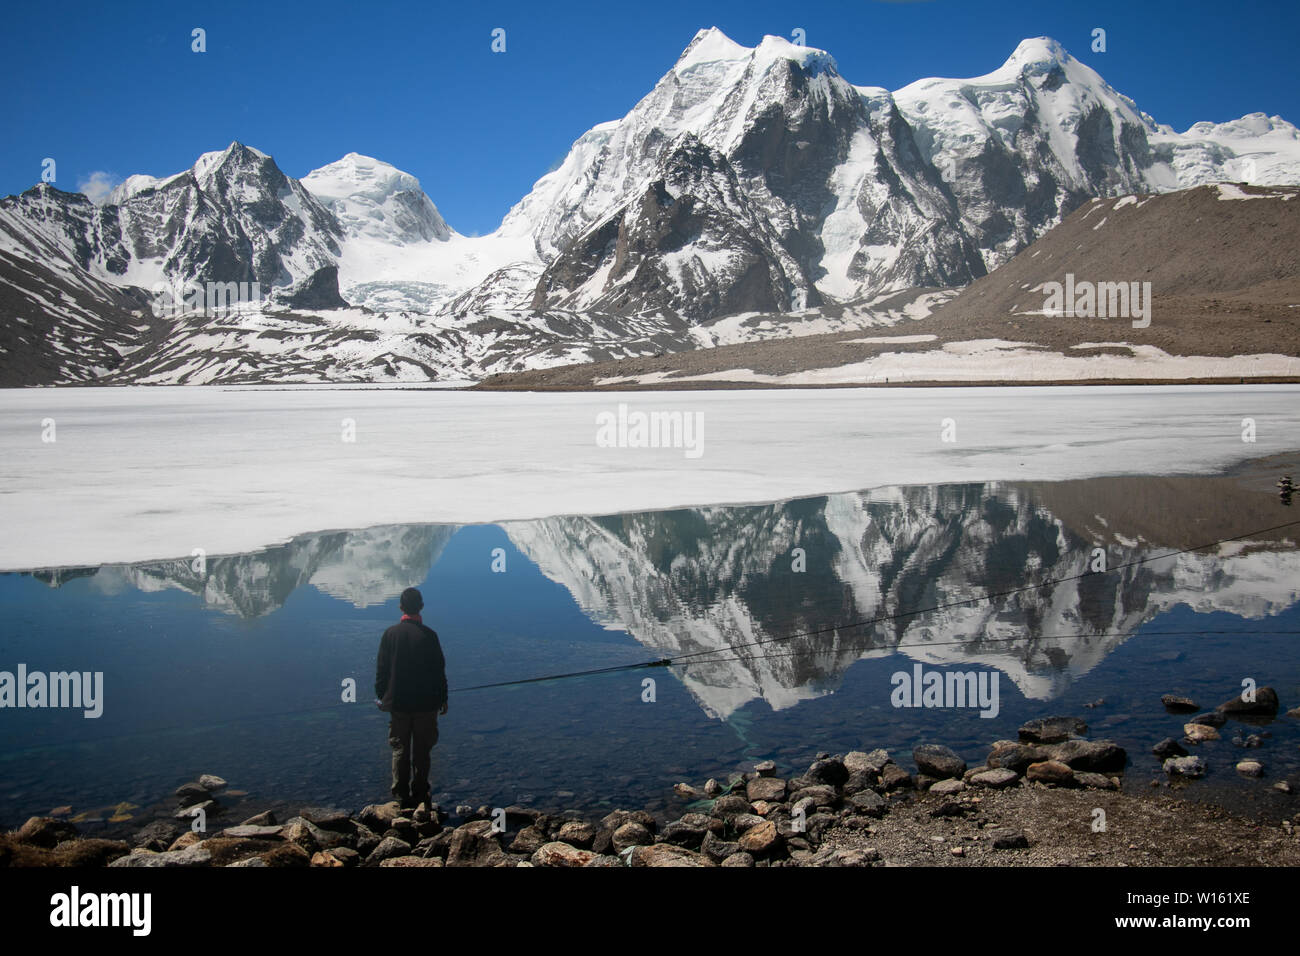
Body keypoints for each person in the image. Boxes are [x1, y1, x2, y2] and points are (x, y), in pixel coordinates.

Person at [375, 587, 448, 809]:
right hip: (426, 704)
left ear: (400, 607)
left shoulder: (390, 634)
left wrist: (382, 697)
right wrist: (443, 698)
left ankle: (400, 796)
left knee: (400, 749)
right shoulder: (430, 636)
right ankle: (420, 793)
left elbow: (382, 671)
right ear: (421, 607)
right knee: (422, 750)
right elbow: (439, 671)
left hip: (398, 703)